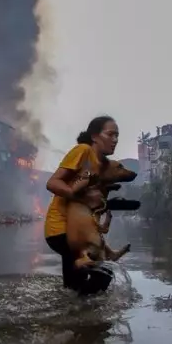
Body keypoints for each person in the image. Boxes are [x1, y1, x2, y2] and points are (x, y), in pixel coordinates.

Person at [45, 116, 118, 295]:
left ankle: (69, 314)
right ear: (94, 136)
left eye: (117, 136)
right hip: (62, 229)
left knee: (73, 288)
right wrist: (79, 196)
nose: (115, 140)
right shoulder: (83, 150)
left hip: (75, 230)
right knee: (103, 274)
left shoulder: (99, 164)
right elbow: (52, 183)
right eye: (110, 134)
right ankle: (82, 316)